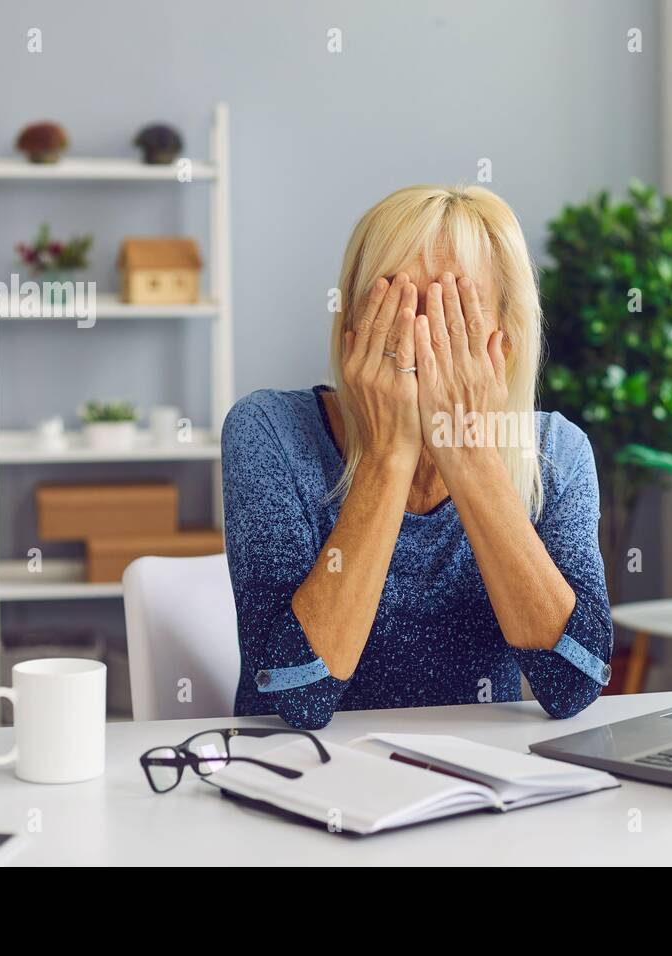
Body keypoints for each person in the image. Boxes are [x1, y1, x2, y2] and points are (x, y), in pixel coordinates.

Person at [221, 185, 613, 729]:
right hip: (300, 775)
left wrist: (469, 452)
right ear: (353, 327)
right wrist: (387, 455)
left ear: (505, 341)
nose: (419, 342)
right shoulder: (268, 431)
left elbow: (574, 682)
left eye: (453, 313)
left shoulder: (554, 452)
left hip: (476, 785)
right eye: (396, 307)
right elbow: (299, 696)